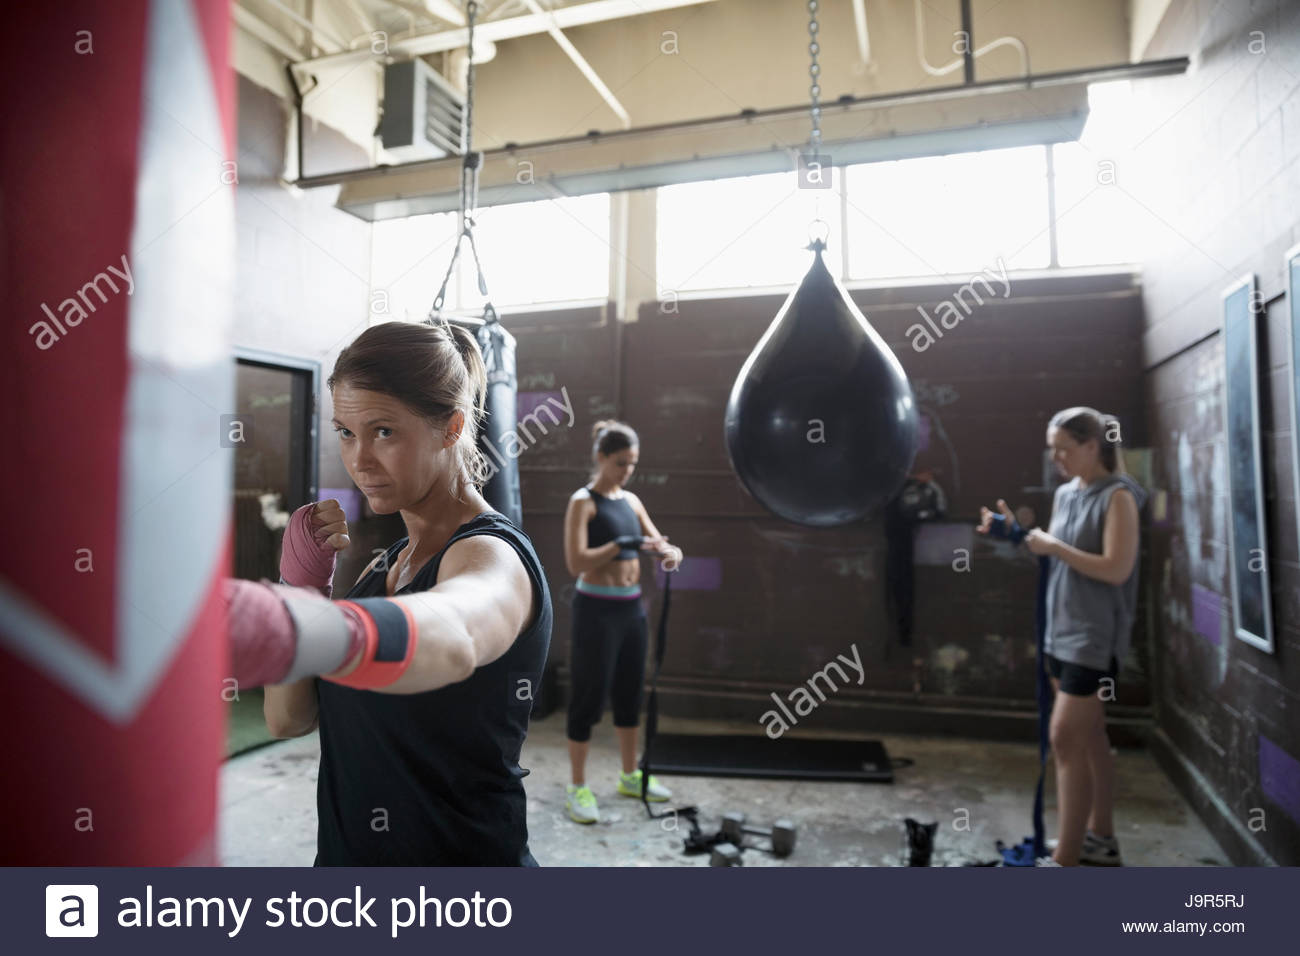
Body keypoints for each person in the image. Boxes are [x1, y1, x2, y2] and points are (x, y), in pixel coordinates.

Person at [259, 319, 553, 865]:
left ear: (451, 427)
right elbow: (287, 719)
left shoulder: (492, 557)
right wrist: (300, 593)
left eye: (384, 432)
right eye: (346, 432)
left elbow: (456, 632)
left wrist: (307, 626)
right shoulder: (386, 567)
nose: (360, 460)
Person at [979, 407, 1145, 866]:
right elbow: (1055, 558)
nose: (1057, 459)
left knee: (1064, 739)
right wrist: (1014, 533)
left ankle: (1066, 859)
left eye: (1065, 450)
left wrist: (1054, 546)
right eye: (1052, 451)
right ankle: (1100, 839)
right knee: (1090, 739)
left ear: (1093, 447)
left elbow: (1116, 568)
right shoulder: (1068, 494)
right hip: (1060, 631)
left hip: (1093, 639)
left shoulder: (1119, 498)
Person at [561, 421, 684, 824]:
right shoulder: (584, 502)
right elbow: (576, 562)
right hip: (595, 610)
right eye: (619, 463)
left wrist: (670, 553)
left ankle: (631, 776)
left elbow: (659, 542)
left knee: (631, 694)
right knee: (588, 697)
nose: (626, 471)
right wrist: (618, 546)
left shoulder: (631, 502)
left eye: (632, 464)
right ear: (600, 458)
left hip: (632, 610)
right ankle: (578, 786)